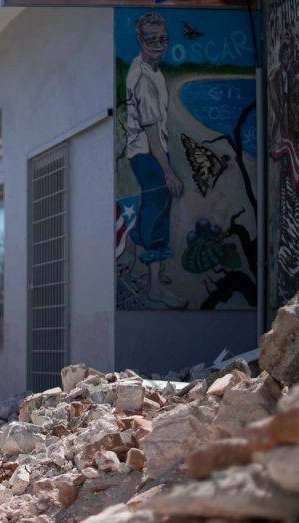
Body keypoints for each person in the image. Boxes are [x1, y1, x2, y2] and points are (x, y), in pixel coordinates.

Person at [125, 12, 186, 309]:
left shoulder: (149, 68)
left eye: (163, 39)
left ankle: (140, 267)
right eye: (151, 40)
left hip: (145, 152)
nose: (159, 45)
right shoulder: (144, 78)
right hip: (149, 154)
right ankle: (155, 286)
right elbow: (151, 130)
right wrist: (168, 172)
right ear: (140, 40)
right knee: (158, 214)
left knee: (151, 207)